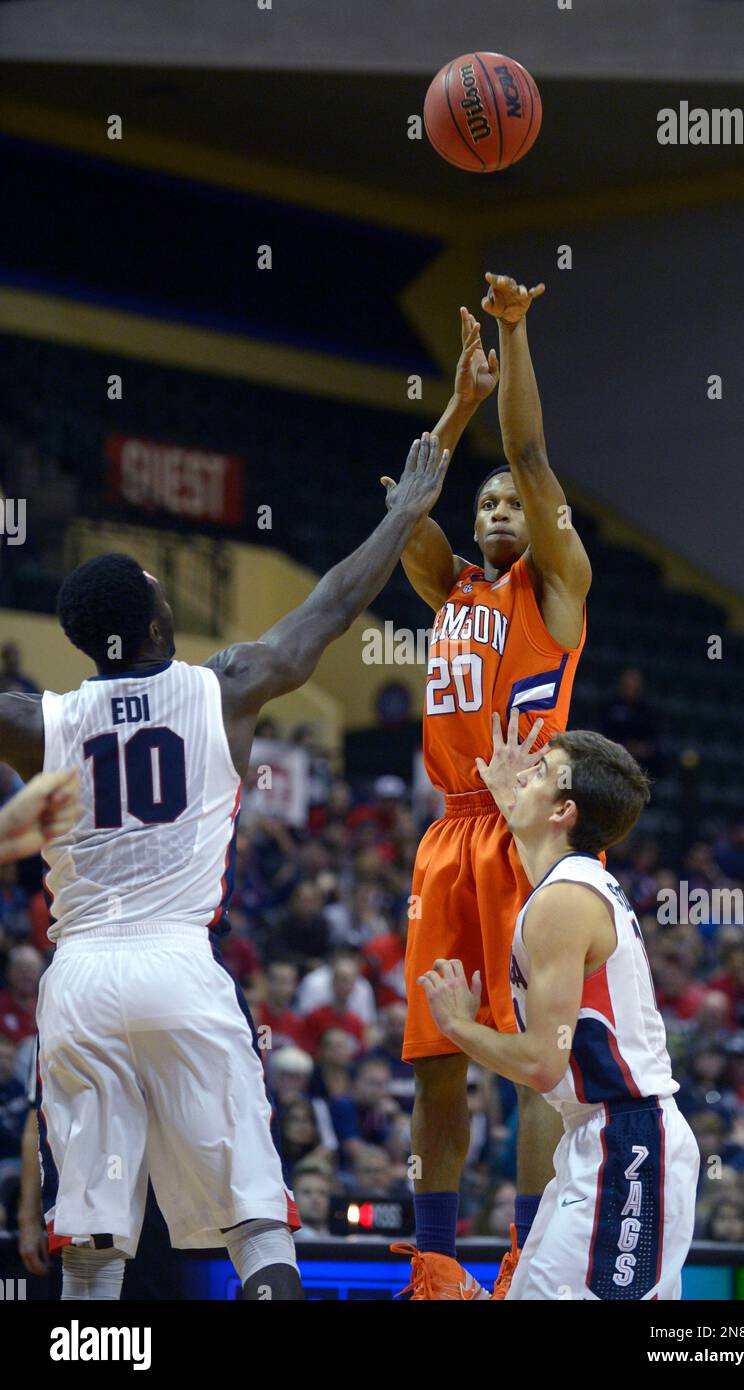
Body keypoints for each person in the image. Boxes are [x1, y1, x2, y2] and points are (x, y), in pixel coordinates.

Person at [0, 429, 452, 1301]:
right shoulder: (228, 685)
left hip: (80, 977)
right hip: (180, 964)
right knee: (255, 1219)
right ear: (157, 620)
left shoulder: (36, 720)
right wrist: (402, 515)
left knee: (93, 1238)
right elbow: (330, 606)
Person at [389, 276, 593, 1297]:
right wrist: (456, 401)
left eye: (513, 501)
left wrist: (511, 339)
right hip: (447, 836)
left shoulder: (552, 586)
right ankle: (436, 1260)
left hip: (520, 828)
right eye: (491, 502)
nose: (503, 503)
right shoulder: (447, 583)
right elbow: (404, 504)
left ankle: (527, 1251)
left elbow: (533, 455)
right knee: (436, 1051)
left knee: (526, 1055)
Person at [418, 721, 700, 1300]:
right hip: (599, 1140)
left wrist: (459, 1027)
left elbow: (544, 1064)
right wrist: (507, 801)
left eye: (541, 772)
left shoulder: (564, 901)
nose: (524, 773)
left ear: (563, 811)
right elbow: (538, 857)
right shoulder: (567, 883)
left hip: (629, 1144)